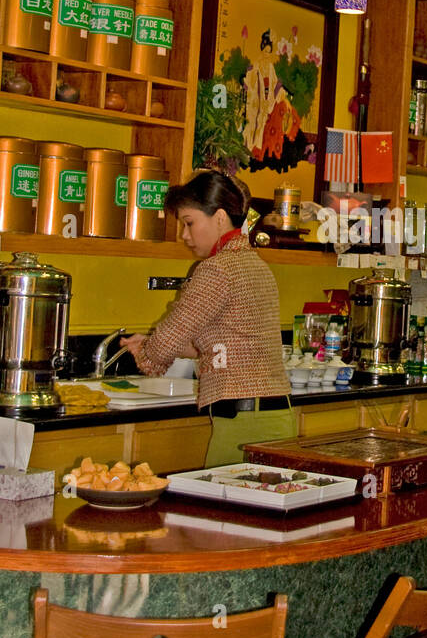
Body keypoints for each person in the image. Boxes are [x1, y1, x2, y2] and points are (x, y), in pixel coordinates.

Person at [119, 171, 295, 467]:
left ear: (220, 217)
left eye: (189, 223)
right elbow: (219, 341)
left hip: (243, 422)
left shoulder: (217, 269)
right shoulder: (254, 264)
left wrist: (151, 354)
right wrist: (153, 343)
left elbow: (170, 338)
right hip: (272, 416)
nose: (184, 235)